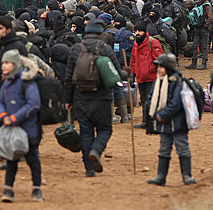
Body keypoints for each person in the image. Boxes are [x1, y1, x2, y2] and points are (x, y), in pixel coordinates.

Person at [65, 21, 123, 177]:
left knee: (85, 132)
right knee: (105, 129)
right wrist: (126, 73)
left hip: (80, 98)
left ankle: (89, 169)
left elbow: (69, 77)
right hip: (102, 98)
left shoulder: (76, 49)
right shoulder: (106, 49)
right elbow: (117, 74)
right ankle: (96, 151)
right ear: (100, 33)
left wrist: (68, 99)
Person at [0, 52, 43, 202]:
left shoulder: (27, 81)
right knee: (11, 159)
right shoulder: (7, 82)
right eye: (3, 63)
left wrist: (14, 118)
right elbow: (0, 102)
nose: (3, 66)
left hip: (29, 129)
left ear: (15, 64)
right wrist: (3, 115)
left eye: (7, 63)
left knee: (32, 159)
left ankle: (37, 189)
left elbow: (34, 104)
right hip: (12, 128)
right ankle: (8, 189)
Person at [145, 54, 196, 186]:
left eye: (162, 66)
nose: (159, 69)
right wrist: (155, 113)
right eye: (158, 66)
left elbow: (176, 104)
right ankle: (161, 176)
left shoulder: (178, 82)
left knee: (182, 148)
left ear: (169, 68)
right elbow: (150, 100)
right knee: (163, 149)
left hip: (178, 123)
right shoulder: (158, 82)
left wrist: (163, 115)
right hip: (163, 125)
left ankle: (186, 175)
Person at [130, 21, 163, 129]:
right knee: (143, 99)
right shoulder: (135, 44)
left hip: (152, 76)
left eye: (139, 31)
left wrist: (151, 68)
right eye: (136, 31)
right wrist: (132, 74)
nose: (137, 33)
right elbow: (133, 60)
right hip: (141, 77)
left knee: (152, 99)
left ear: (145, 31)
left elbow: (160, 59)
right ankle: (145, 121)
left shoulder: (153, 42)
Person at [186, 0, 213, 70]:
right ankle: (194, 63)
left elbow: (210, 17)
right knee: (195, 45)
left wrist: (205, 25)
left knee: (204, 46)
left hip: (205, 29)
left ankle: (204, 63)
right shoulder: (197, 4)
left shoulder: (206, 6)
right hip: (198, 28)